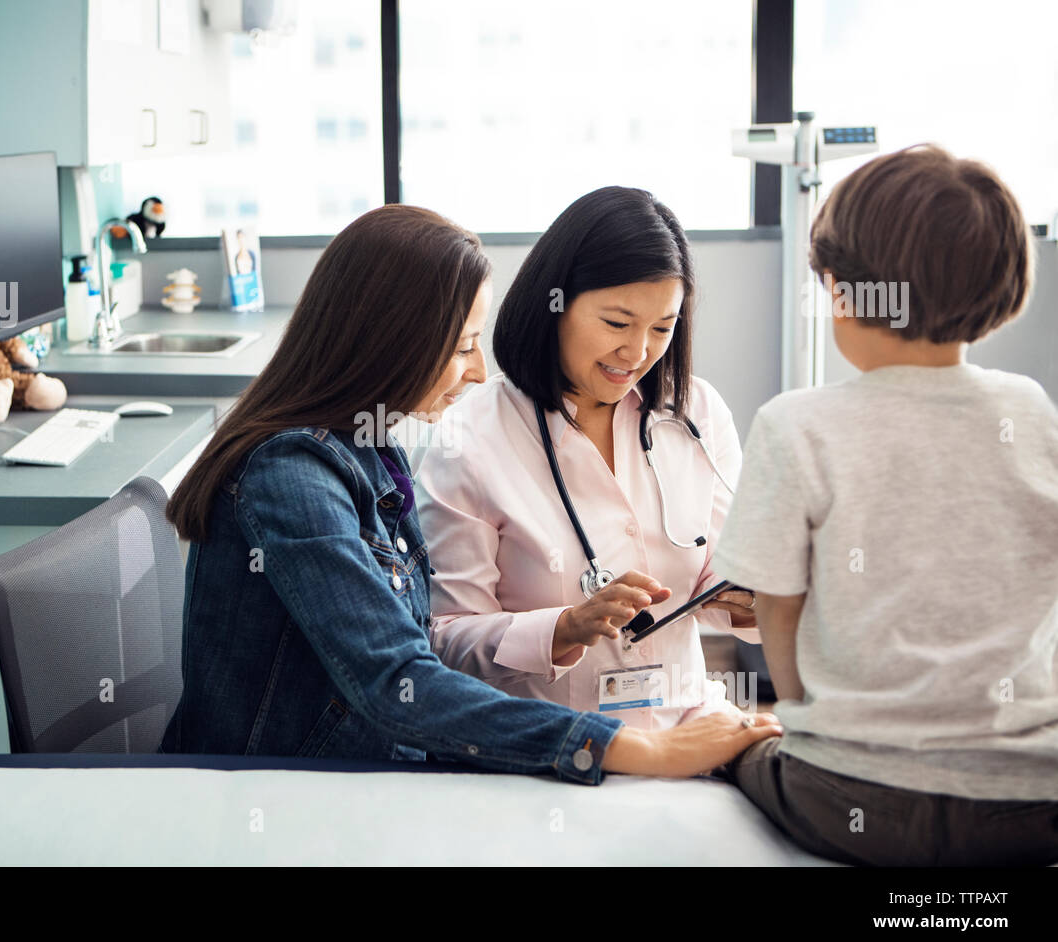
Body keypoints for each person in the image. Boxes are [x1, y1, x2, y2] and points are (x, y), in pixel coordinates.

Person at [159, 203, 780, 782]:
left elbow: (407, 655)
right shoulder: (290, 478)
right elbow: (403, 675)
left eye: (663, 327)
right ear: (388, 341)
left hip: (398, 769)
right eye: (461, 347)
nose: (481, 369)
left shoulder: (371, 455)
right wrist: (633, 745)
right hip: (296, 794)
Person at [714, 144, 1058, 865]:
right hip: (1029, 805)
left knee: (734, 749)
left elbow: (776, 604)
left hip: (849, 797)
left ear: (841, 291)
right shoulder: (1031, 412)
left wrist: (805, 720)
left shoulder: (795, 423)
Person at [415, 187, 759, 731]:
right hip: (552, 738)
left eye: (662, 328)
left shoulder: (697, 411)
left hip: (688, 721)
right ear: (554, 305)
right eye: (617, 324)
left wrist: (754, 600)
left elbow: (716, 576)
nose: (639, 352)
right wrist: (564, 628)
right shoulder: (471, 436)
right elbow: (443, 636)